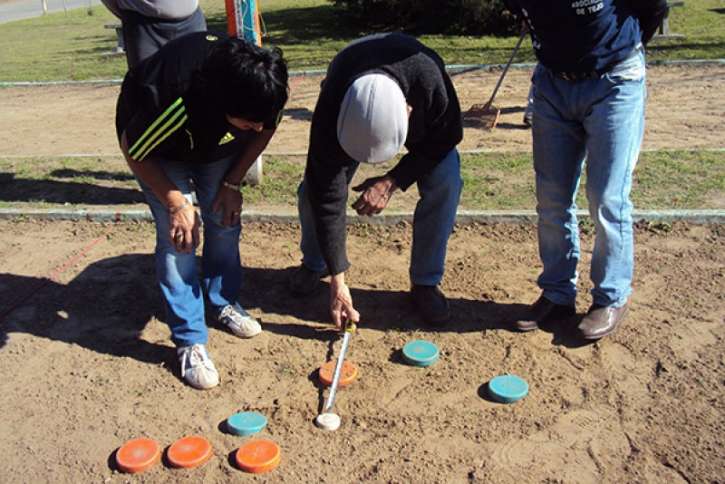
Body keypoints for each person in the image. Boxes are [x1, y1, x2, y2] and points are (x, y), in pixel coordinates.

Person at [115, 32, 288, 389]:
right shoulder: (173, 97)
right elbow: (135, 149)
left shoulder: (262, 89)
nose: (258, 128)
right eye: (249, 122)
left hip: (213, 145)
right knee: (179, 237)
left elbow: (264, 129)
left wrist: (232, 183)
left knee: (224, 220)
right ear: (226, 105)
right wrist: (177, 202)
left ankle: (222, 301)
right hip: (157, 146)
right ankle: (190, 339)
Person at [504, 0, 669, 339]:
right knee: (552, 198)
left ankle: (611, 297)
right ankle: (557, 293)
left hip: (615, 82)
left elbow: (653, 9)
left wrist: (615, 51)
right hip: (552, 85)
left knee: (607, 197)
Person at [289, 33, 464, 328]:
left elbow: (447, 137)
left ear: (409, 111)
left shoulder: (429, 79)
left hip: (424, 123)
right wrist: (338, 280)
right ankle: (315, 263)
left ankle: (425, 282)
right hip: (349, 91)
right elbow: (327, 193)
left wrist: (393, 180)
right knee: (312, 191)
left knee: (446, 180)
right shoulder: (332, 101)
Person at [101, 0, 207, 68]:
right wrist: (131, 16)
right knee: (148, 87)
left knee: (198, 79)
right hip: (144, 24)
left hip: (192, 19)